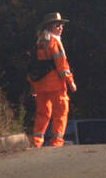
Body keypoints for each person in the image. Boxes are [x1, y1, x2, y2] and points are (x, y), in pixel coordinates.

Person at [28, 12, 76, 148]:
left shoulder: (39, 42)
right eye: (58, 25)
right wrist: (70, 81)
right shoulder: (54, 42)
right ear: (49, 26)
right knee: (61, 112)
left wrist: (32, 84)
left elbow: (31, 65)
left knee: (43, 113)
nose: (61, 28)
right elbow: (62, 64)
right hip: (55, 85)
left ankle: (36, 142)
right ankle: (57, 142)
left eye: (61, 25)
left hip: (40, 85)